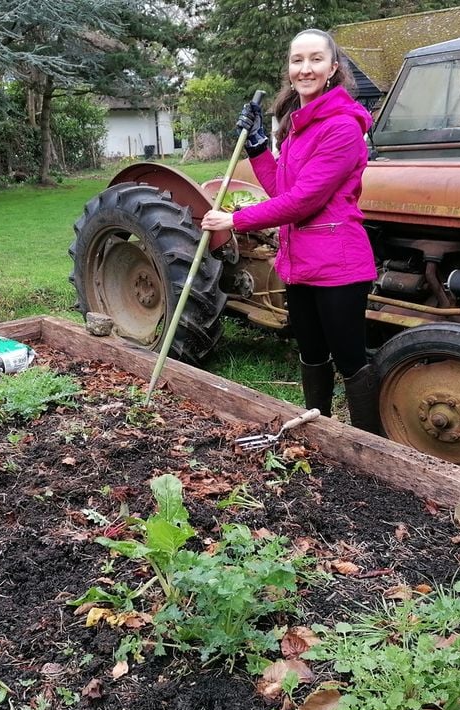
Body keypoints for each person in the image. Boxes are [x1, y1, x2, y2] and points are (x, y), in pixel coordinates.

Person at [200, 28, 380, 432]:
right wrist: (259, 147)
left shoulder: (342, 127)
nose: (305, 68)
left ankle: (371, 446)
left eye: (316, 59)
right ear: (289, 69)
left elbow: (305, 202)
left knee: (350, 360)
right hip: (300, 264)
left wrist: (235, 220)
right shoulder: (299, 125)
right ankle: (319, 430)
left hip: (338, 266)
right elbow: (283, 190)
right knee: (311, 352)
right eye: (297, 60)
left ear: (334, 68)